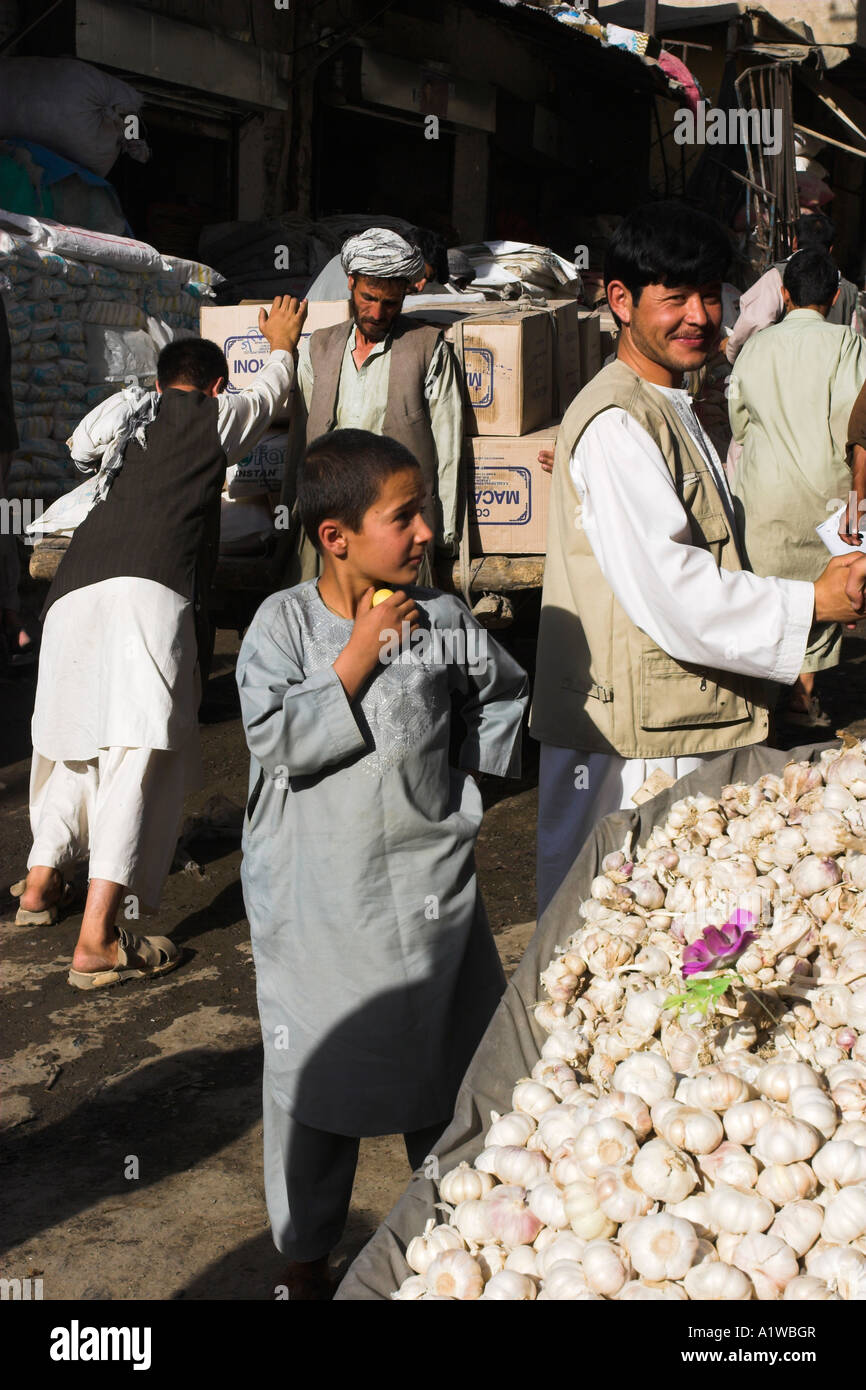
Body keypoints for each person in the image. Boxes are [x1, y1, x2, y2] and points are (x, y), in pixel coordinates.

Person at [236, 428, 527, 1299]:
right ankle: (305, 1259)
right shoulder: (282, 626)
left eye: (423, 512)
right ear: (336, 537)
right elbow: (278, 740)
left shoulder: (441, 619)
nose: (426, 532)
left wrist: (458, 795)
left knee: (452, 1074)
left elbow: (500, 693)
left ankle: (453, 1241)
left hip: (432, 891)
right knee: (314, 1080)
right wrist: (357, 657)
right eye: (404, 518)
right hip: (320, 898)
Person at [529, 201, 866, 919]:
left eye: (709, 295)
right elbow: (678, 593)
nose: (699, 316)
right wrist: (814, 605)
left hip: (673, 719)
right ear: (621, 300)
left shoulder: (667, 399)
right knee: (622, 938)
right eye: (674, 296)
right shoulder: (621, 420)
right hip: (640, 747)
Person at [15, 297, 308, 991]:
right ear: (211, 386)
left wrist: (132, 406)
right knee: (133, 757)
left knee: (70, 743)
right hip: (147, 597)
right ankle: (98, 939)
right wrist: (281, 343)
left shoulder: (128, 416)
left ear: (155, 384)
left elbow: (81, 446)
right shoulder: (215, 417)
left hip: (72, 593)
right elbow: (269, 392)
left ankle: (38, 885)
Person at [729, 249, 866, 729]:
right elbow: (854, 424)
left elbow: (739, 421)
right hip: (829, 495)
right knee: (821, 590)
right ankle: (803, 695)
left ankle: (760, 699)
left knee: (766, 588)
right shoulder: (848, 345)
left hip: (762, 492)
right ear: (834, 296)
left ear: (785, 295)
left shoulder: (757, 346)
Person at [288, 228, 464, 587]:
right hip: (330, 523)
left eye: (391, 303)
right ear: (350, 283)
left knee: (398, 632)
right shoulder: (318, 348)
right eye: (369, 298)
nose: (378, 312)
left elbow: (448, 449)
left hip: (396, 527)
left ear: (406, 294)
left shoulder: (428, 349)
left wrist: (443, 536)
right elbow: (300, 439)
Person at [724, 212, 861, 365]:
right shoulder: (849, 291)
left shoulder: (779, 275)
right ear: (830, 249)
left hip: (779, 370)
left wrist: (732, 353)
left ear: (795, 242)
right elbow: (857, 339)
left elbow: (754, 321)